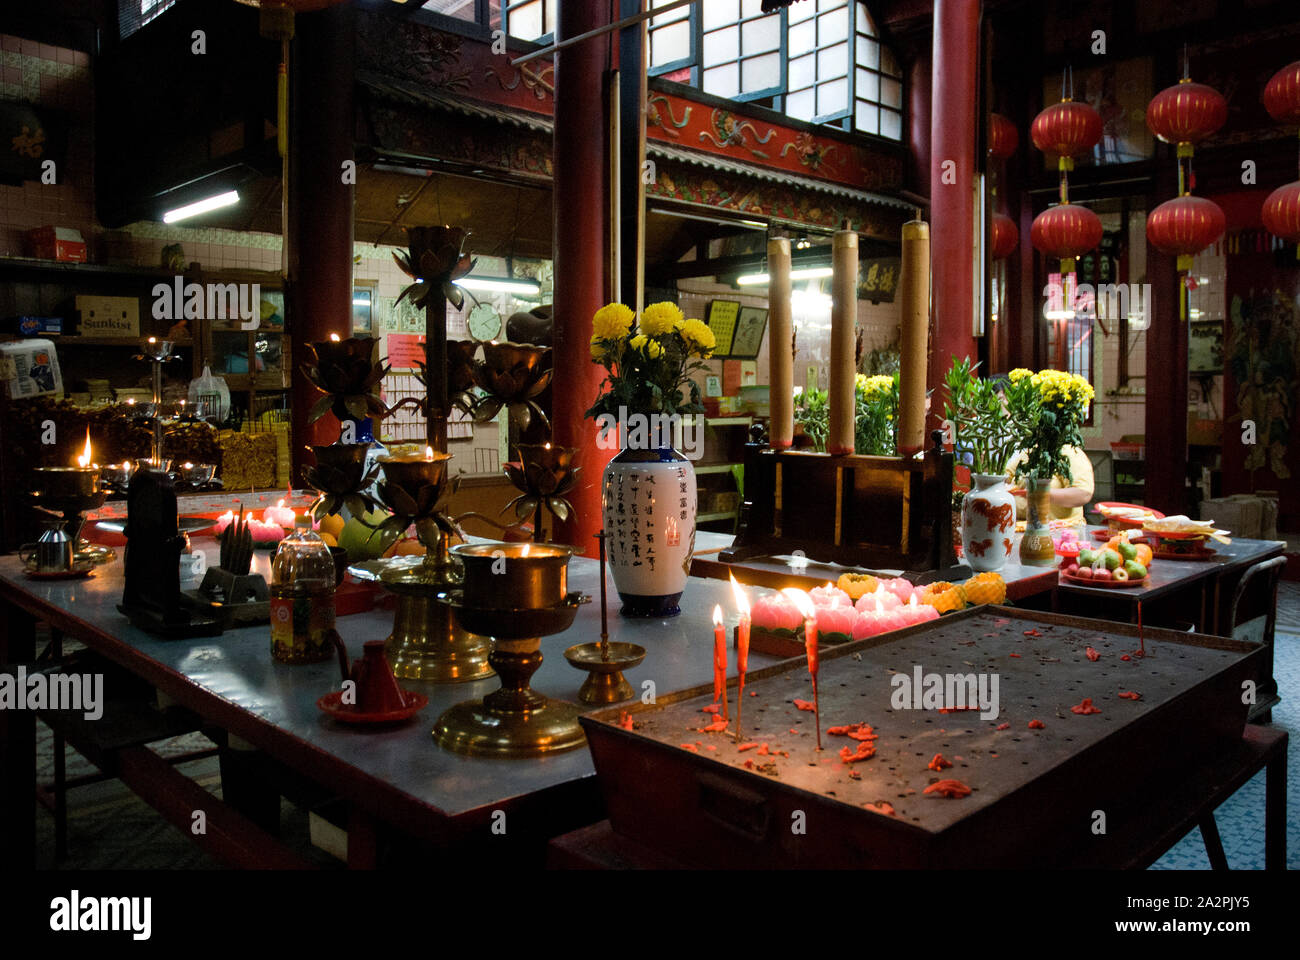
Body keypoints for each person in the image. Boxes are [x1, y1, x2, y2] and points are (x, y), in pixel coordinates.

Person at [1006, 445, 1095, 524]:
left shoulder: (1071, 452)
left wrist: (1039, 493)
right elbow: (1003, 478)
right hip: (1022, 526)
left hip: (1063, 529)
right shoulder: (1029, 452)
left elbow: (1083, 494)